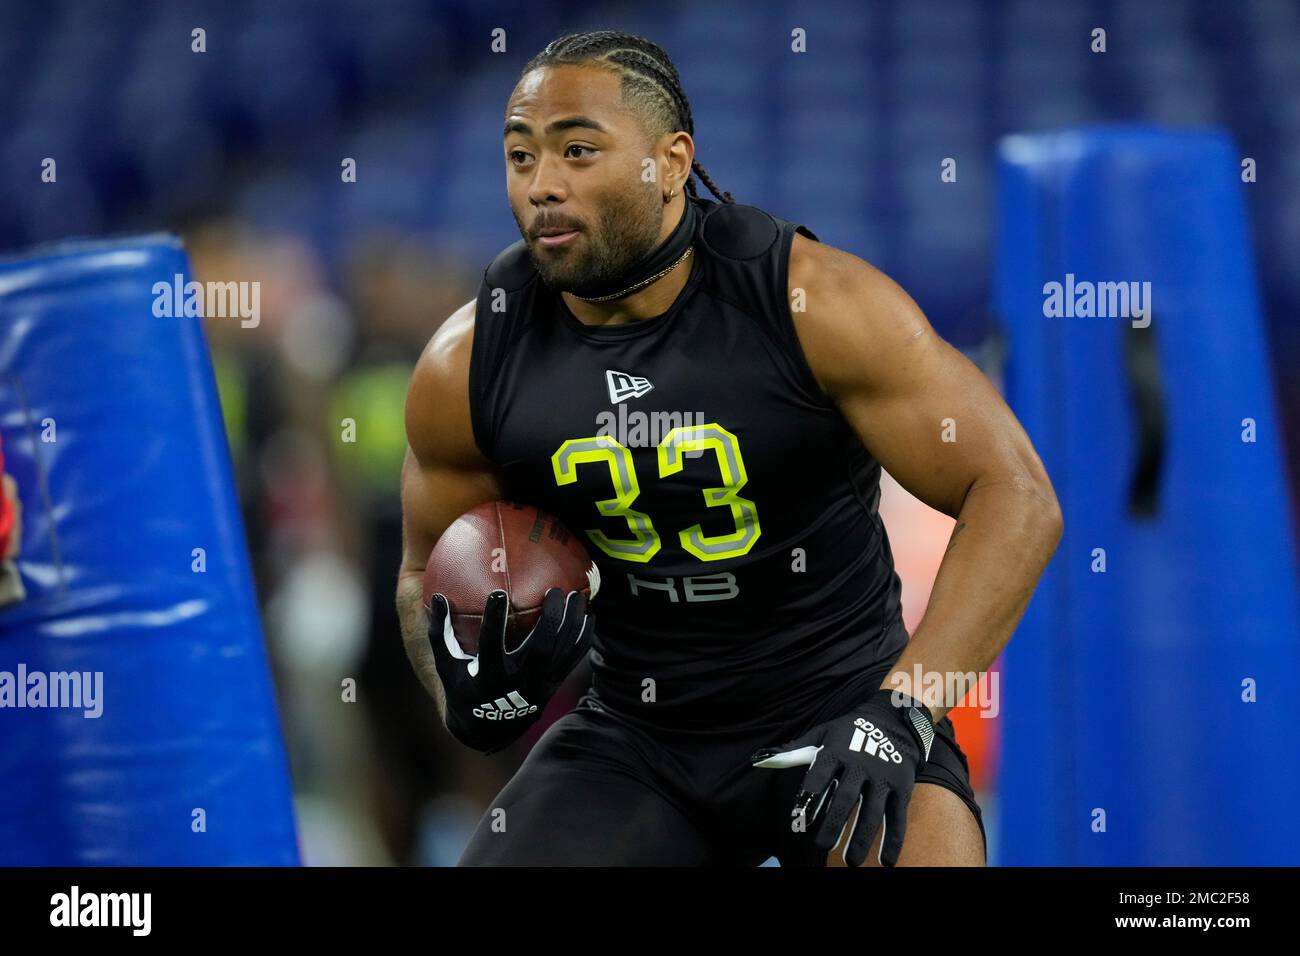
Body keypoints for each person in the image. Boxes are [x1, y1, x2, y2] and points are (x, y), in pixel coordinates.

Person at [395, 31, 1062, 867]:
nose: (543, 185)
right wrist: (461, 685)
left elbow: (1016, 494)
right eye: (520, 156)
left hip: (841, 708)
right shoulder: (470, 362)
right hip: (639, 733)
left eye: (577, 150)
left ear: (672, 162)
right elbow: (422, 569)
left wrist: (909, 708)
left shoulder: (811, 304)